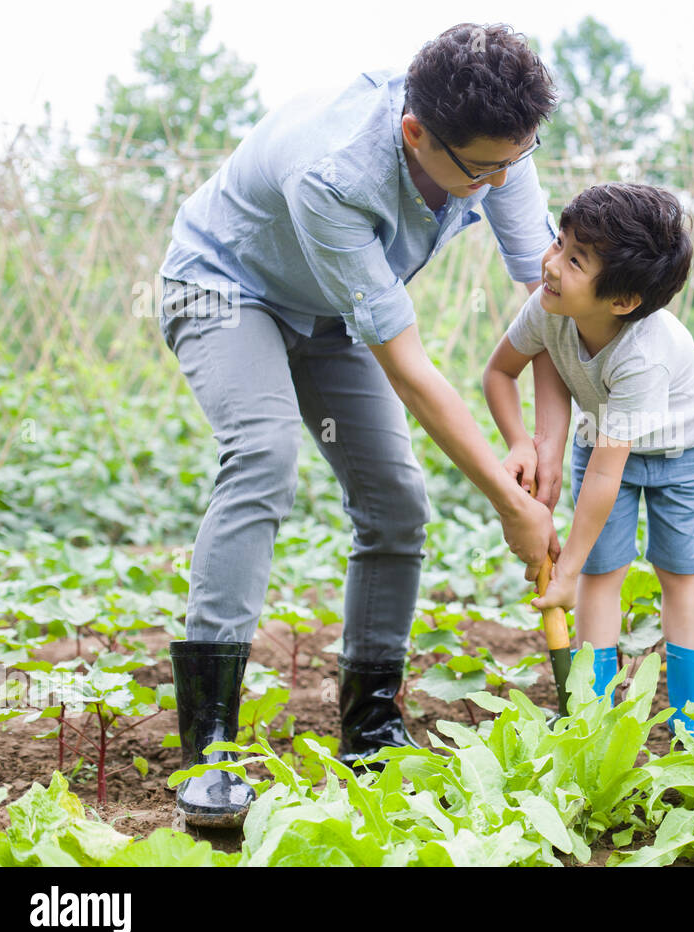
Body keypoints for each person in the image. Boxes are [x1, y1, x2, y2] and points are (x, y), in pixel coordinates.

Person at [157, 23, 571, 827]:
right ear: (416, 134)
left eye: (511, 163)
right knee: (264, 453)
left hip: (328, 309)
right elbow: (411, 371)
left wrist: (539, 443)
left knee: (397, 502)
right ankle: (209, 752)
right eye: (479, 170)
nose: (496, 185)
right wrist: (509, 504)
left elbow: (546, 298)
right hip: (224, 286)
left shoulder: (499, 151)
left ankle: (371, 728)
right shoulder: (336, 172)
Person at [482, 183, 694, 740]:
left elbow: (606, 476)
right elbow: (499, 373)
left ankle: (691, 718)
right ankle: (593, 714)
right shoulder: (549, 308)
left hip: (680, 448)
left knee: (679, 572)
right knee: (600, 570)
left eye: (573, 259)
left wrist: (560, 573)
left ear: (622, 301)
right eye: (558, 244)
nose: (549, 264)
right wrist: (521, 441)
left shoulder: (643, 355)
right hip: (604, 435)